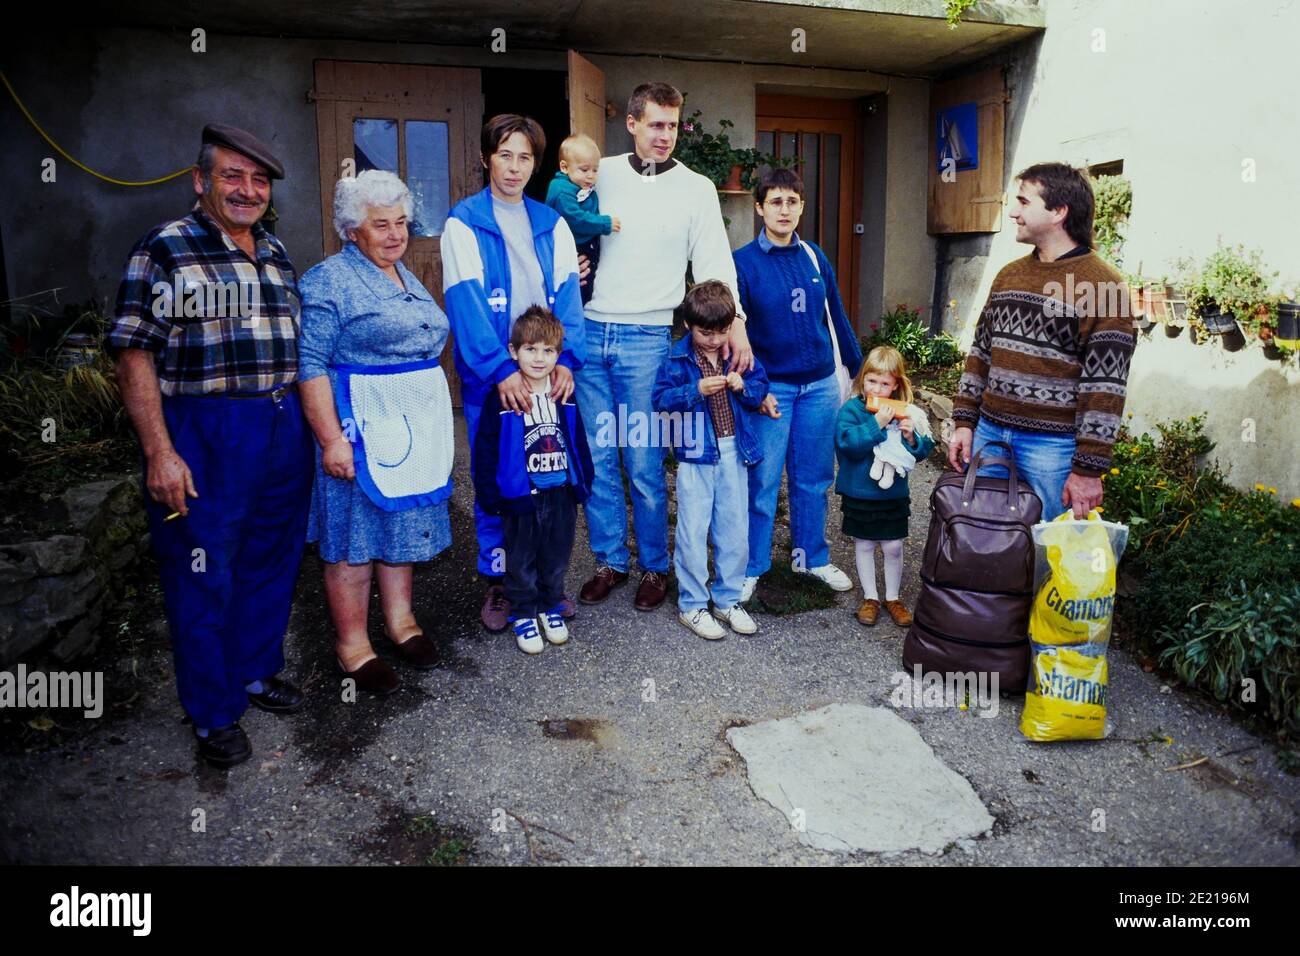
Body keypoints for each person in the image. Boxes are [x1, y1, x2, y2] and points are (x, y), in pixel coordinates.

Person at [107, 124, 313, 768]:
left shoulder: (276, 252)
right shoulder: (167, 248)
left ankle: (254, 671)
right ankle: (212, 709)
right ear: (201, 181)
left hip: (281, 425)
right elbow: (134, 351)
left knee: (272, 559)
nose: (247, 190)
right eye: (232, 176)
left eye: (258, 180)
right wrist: (160, 452)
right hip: (205, 428)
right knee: (201, 570)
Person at [576, 81, 752, 613]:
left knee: (645, 459)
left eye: (672, 126)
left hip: (647, 337)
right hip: (587, 331)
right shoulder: (598, 173)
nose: (664, 136)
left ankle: (654, 566)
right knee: (599, 455)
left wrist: (736, 321)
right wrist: (571, 262)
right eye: (654, 124)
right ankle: (610, 559)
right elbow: (560, 223)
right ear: (631, 124)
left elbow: (715, 262)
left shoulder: (696, 188)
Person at [298, 170, 455, 695]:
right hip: (359, 426)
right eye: (380, 225)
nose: (394, 234)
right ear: (351, 230)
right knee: (353, 537)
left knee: (401, 526)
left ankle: (401, 622)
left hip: (410, 428)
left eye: (401, 223)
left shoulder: (403, 276)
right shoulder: (329, 280)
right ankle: (352, 646)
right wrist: (330, 440)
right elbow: (311, 364)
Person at [441, 115, 586, 633]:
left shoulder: (552, 223)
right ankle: (500, 583)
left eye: (525, 157)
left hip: (548, 374)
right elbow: (466, 303)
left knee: (548, 480)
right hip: (494, 380)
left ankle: (546, 585)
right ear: (486, 158)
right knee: (497, 481)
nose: (514, 167)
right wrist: (500, 369)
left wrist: (566, 360)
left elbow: (570, 298)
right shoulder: (464, 222)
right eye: (505, 155)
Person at [949, 162, 1135, 519]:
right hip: (990, 434)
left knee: (1047, 549)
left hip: (1052, 448)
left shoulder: (1104, 286)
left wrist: (1088, 469)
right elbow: (980, 354)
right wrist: (964, 421)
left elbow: (1105, 387)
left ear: (1058, 212)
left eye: (1023, 202)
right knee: (982, 539)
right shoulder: (1008, 275)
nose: (1014, 213)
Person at [732, 167, 862, 603]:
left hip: (820, 386)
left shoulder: (813, 256)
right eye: (775, 202)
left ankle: (811, 558)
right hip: (775, 389)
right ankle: (753, 566)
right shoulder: (743, 263)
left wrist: (858, 371)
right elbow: (739, 335)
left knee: (813, 479)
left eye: (792, 202)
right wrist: (755, 387)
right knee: (763, 482)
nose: (784, 210)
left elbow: (836, 315)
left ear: (801, 207)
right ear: (760, 208)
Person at [652, 282, 772, 640]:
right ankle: (692, 605)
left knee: (734, 528)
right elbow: (660, 401)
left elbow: (760, 388)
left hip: (735, 451)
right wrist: (694, 391)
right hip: (695, 456)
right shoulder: (677, 359)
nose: (715, 340)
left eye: (722, 331)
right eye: (706, 332)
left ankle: (728, 599)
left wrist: (743, 387)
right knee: (692, 530)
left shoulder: (737, 354)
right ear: (688, 325)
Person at [472, 307, 595, 655]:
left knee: (556, 554)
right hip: (520, 496)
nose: (539, 358)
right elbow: (485, 447)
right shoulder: (501, 398)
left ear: (559, 354)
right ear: (513, 351)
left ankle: (549, 603)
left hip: (560, 492)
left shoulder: (564, 395)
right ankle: (524, 611)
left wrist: (583, 477)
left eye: (548, 351)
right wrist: (489, 491)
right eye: (530, 349)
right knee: (521, 558)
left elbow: (578, 438)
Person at [834, 347, 934, 627]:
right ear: (862, 380)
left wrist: (911, 438)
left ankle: (893, 597)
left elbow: (923, 450)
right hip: (860, 491)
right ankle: (870, 597)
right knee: (864, 544)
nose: (877, 388)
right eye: (872, 381)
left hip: (892, 493)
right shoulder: (851, 410)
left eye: (885, 383)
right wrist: (875, 424)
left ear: (896, 385)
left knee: (893, 545)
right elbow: (847, 445)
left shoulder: (906, 411)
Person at [545, 133, 620, 305]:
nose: (591, 176)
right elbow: (576, 219)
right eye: (584, 170)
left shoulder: (577, 185)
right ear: (564, 167)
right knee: (583, 282)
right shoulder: (562, 190)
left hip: (584, 242)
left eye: (595, 170)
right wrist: (605, 223)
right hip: (576, 246)